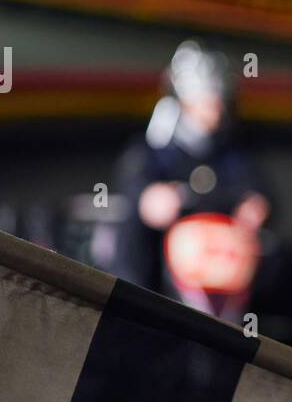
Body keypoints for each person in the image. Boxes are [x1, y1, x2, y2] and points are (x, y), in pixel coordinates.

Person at [112, 40, 275, 295]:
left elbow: (256, 185)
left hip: (222, 253)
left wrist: (257, 203)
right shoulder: (156, 149)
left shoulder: (231, 149)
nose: (215, 111)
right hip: (168, 255)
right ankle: (132, 306)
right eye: (207, 103)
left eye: (218, 102)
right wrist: (150, 199)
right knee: (135, 237)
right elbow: (136, 182)